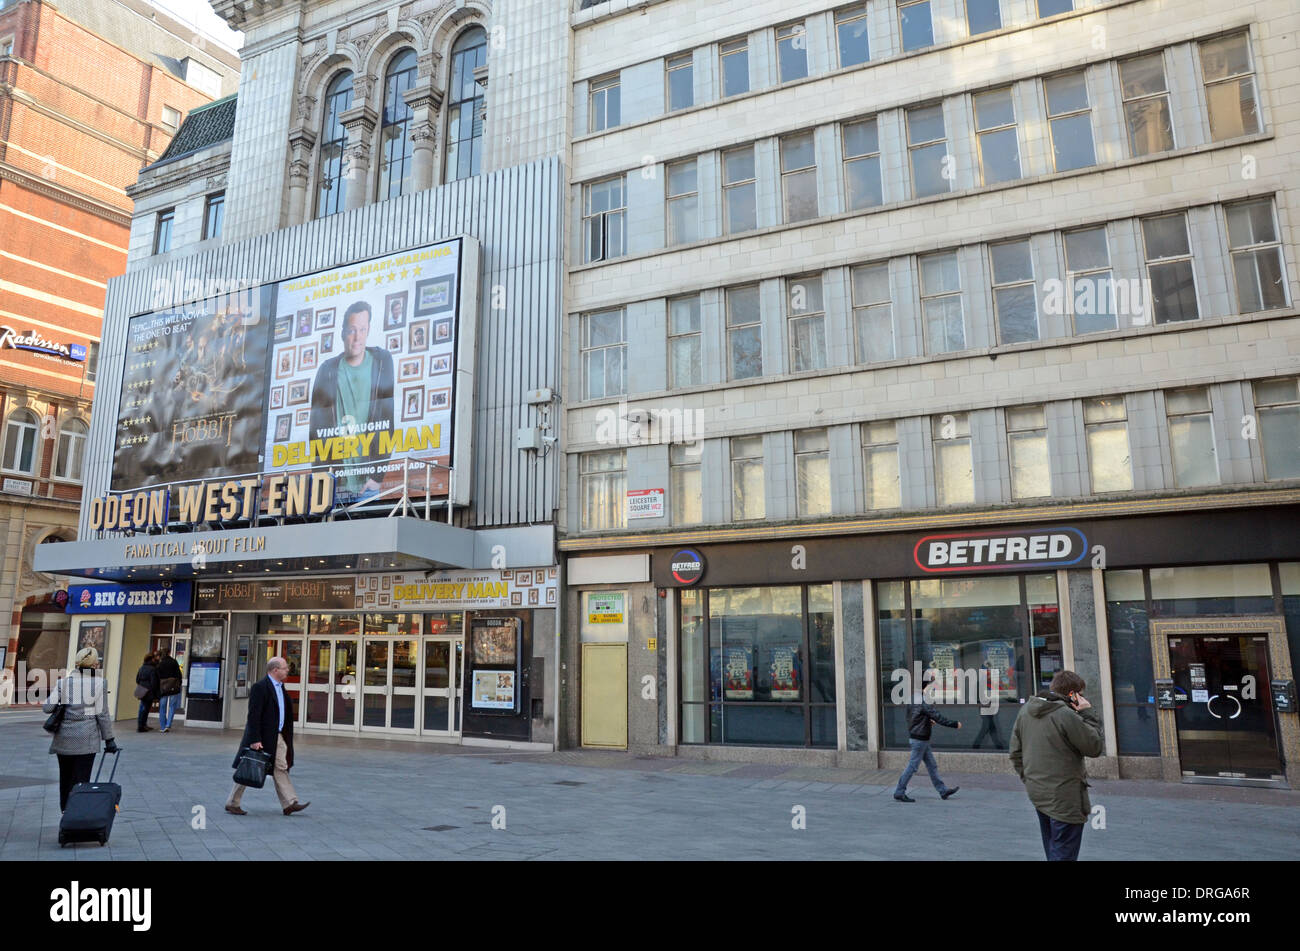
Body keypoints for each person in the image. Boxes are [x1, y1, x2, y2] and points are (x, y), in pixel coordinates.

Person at [1009, 669, 1104, 861]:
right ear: (1073, 694)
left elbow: (1015, 753)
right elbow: (1094, 747)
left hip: (1038, 792)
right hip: (1065, 796)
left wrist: (1029, 779)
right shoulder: (1065, 715)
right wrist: (1087, 713)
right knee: (1063, 852)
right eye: (1081, 694)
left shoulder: (1026, 710)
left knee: (1053, 848)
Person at [309, 300, 395, 497]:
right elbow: (315, 431)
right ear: (342, 332)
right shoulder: (327, 370)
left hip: (369, 485)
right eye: (352, 330)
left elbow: (388, 422)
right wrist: (321, 481)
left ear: (369, 330)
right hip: (334, 485)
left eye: (362, 330)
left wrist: (378, 477)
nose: (357, 337)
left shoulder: (382, 362)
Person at [225, 656, 309, 816]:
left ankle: (290, 803)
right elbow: (253, 716)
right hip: (262, 737)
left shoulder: (280, 687)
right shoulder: (260, 687)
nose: (287, 670)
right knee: (250, 767)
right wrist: (255, 739)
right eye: (285, 668)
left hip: (277, 736)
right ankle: (232, 802)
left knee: (281, 767)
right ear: (275, 670)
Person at [44, 647, 118, 812]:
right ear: (95, 665)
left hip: (64, 738)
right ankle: (78, 812)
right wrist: (109, 740)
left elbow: (47, 708)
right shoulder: (99, 683)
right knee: (82, 778)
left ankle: (65, 809)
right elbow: (103, 714)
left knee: (65, 777)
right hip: (87, 738)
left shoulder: (63, 683)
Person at [893, 681, 962, 802]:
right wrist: (955, 724)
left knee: (932, 765)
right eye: (931, 685)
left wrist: (927, 722)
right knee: (913, 766)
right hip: (919, 740)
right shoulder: (923, 701)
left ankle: (943, 791)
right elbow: (938, 717)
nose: (932, 688)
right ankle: (899, 791)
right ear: (926, 686)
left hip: (919, 738)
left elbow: (912, 717)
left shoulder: (914, 698)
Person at [156, 648, 183, 733]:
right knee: (172, 706)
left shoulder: (160, 663)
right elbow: (179, 674)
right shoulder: (174, 662)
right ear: (169, 653)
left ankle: (163, 726)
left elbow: (157, 676)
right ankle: (168, 724)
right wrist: (179, 683)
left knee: (162, 707)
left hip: (163, 688)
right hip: (173, 688)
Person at [135, 652, 160, 732]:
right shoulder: (153, 669)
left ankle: (141, 724)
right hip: (149, 691)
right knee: (145, 709)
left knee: (142, 707)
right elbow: (154, 682)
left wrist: (142, 685)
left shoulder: (142, 668)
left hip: (141, 689)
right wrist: (154, 691)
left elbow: (137, 679)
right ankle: (142, 726)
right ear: (152, 659)